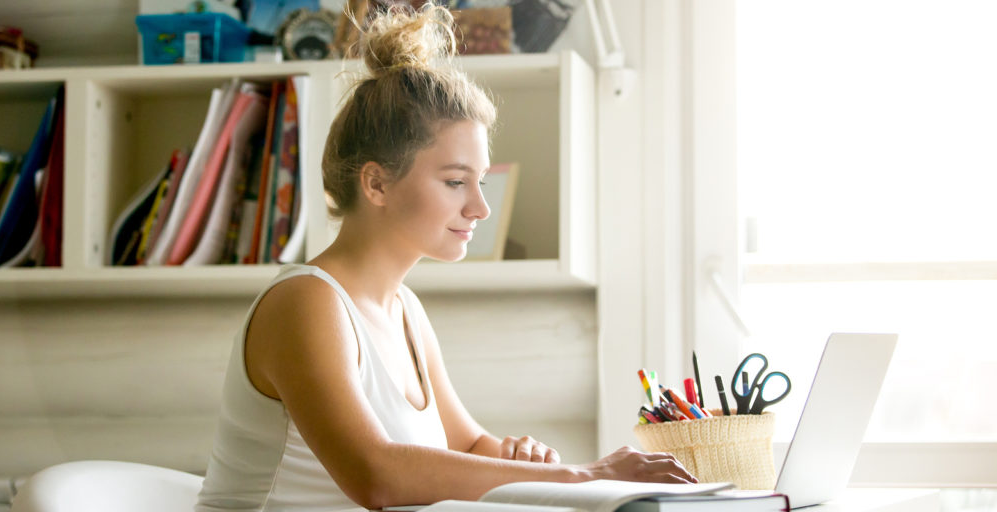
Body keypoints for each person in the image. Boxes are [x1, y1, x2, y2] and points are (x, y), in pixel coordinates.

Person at [195, 3, 697, 511]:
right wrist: (587, 475)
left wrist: (521, 458)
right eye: (456, 181)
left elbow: (470, 445)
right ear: (376, 183)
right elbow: (375, 474)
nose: (480, 206)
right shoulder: (305, 303)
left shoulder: (405, 311)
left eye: (479, 182)